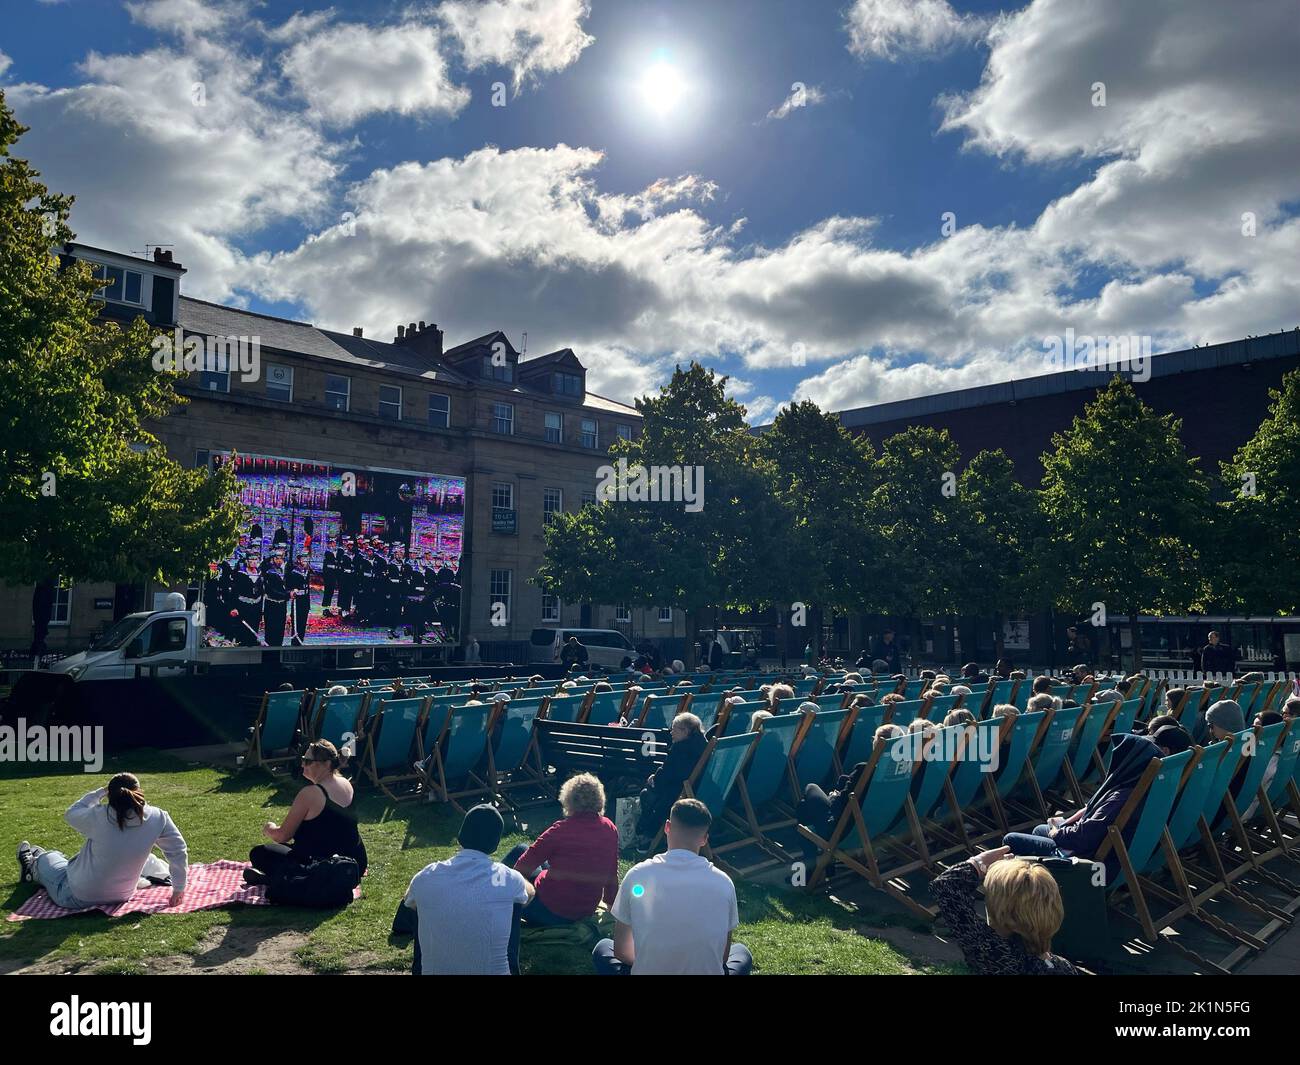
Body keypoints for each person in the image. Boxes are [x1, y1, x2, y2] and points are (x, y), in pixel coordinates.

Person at [593, 798, 751, 975]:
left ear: (667, 827)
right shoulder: (724, 883)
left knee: (604, 947)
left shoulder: (637, 875)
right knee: (741, 953)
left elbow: (622, 951)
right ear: (705, 839)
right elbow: (722, 957)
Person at [17, 773, 188, 911]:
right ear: (139, 792)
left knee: (48, 858)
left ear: (110, 795)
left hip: (76, 895)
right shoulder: (158, 817)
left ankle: (32, 866)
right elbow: (178, 850)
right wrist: (179, 888)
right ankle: (40, 860)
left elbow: (71, 813)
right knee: (62, 862)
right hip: (122, 894)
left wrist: (100, 792)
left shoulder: (98, 815)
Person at [1001, 734, 1162, 880]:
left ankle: (1021, 892)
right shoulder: (1145, 792)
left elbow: (1083, 837)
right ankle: (1041, 880)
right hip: (1121, 859)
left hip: (1090, 862)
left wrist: (1057, 832)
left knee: (1011, 840)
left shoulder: (1120, 797)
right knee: (1039, 830)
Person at [404, 804, 532, 975]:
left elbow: (409, 900)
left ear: (460, 837)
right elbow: (529, 893)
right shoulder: (508, 878)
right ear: (495, 845)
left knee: (423, 905)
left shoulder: (427, 875)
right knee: (514, 903)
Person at [932, 847, 1079, 975]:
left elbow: (945, 886)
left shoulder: (995, 955)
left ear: (1002, 911)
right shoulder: (1064, 967)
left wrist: (977, 864)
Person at [503, 773, 618, 926]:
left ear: (568, 799)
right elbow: (611, 873)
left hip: (549, 910)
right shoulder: (610, 828)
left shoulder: (560, 830)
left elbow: (522, 866)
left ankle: (490, 892)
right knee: (532, 857)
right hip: (585, 909)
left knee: (519, 850)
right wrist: (610, 904)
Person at [245, 740, 367, 883]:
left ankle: (276, 880)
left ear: (326, 764)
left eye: (308, 761)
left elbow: (283, 835)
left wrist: (269, 829)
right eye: (302, 759)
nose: (302, 764)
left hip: (320, 865)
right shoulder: (346, 783)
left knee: (259, 853)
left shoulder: (310, 794)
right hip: (355, 862)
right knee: (282, 849)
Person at [634, 713, 707, 851]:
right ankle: (647, 831)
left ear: (685, 731)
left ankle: (648, 835)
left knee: (647, 794)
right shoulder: (704, 744)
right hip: (700, 789)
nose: (671, 732)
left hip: (680, 793)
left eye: (674, 728)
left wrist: (654, 780)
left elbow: (668, 773)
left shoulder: (680, 748)